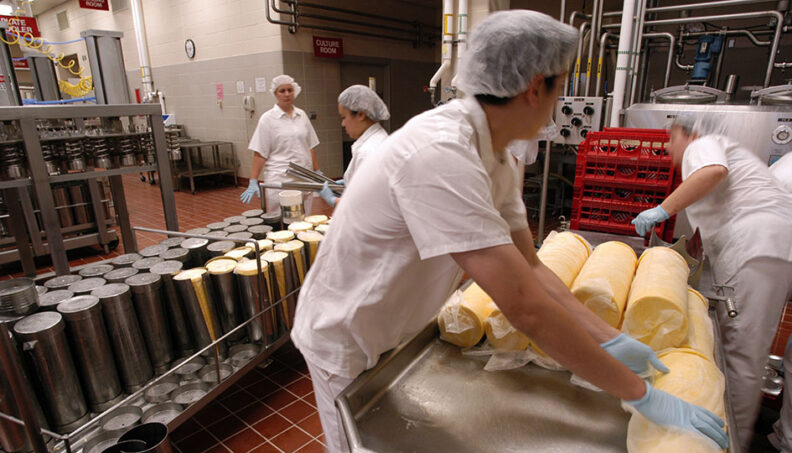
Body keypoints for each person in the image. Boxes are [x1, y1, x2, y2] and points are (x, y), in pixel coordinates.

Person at [292, 11, 728, 453]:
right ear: (535, 87)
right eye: (560, 89)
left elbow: (531, 267)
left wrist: (609, 337)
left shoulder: (494, 156)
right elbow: (524, 305)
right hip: (346, 332)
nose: (557, 106)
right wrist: (641, 394)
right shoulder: (438, 152)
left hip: (392, 320)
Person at [632, 113, 792, 450]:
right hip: (765, 246)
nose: (669, 147)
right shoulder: (719, 149)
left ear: (688, 133)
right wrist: (694, 247)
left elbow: (713, 173)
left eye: (670, 137)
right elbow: (721, 200)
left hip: (756, 247)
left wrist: (661, 209)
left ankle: (725, 441)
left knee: (740, 353)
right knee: (738, 347)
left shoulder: (701, 145)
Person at [240, 74, 321, 214]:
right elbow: (259, 153)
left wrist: (317, 172)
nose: (287, 94)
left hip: (305, 178)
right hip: (281, 180)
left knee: (303, 223)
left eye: (290, 90)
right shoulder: (268, 119)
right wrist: (253, 180)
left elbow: (310, 147)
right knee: (282, 225)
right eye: (282, 91)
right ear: (275, 93)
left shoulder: (301, 116)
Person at [318, 84, 390, 207]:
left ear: (361, 115)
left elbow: (365, 205)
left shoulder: (368, 152)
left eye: (344, 117)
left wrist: (333, 200)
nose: (343, 124)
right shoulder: (378, 139)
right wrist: (350, 183)